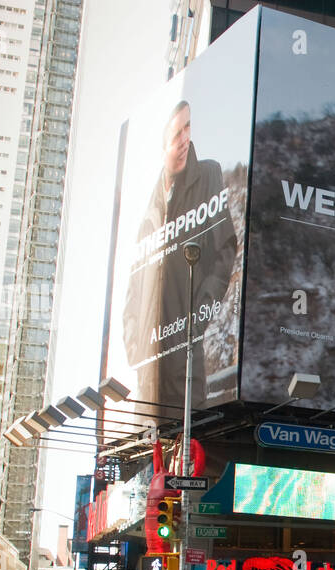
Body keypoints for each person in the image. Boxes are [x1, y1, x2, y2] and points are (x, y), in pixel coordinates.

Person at [121, 100, 238, 409]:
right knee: (152, 449)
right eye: (177, 133)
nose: (186, 138)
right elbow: (133, 292)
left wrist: (197, 318)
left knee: (191, 445)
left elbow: (226, 249)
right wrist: (135, 348)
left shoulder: (209, 174)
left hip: (186, 362)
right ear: (162, 145)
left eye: (188, 127)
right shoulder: (150, 211)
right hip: (149, 375)